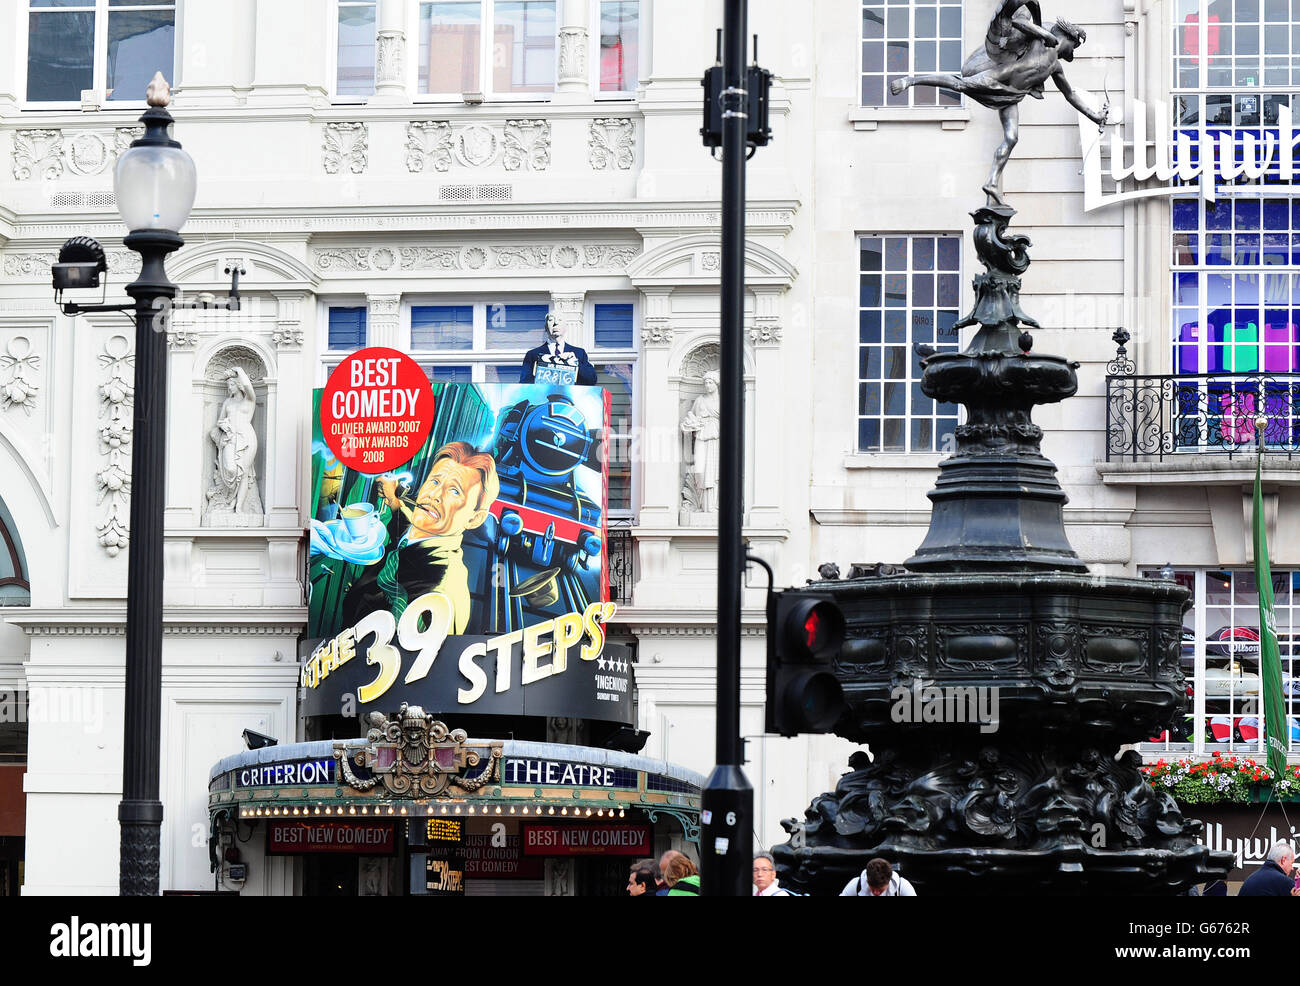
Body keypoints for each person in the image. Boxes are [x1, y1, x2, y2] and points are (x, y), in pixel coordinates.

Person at [889, 1, 1108, 206]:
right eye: (1074, 47)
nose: (1071, 53)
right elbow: (1018, 21)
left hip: (1011, 96)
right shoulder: (1040, 42)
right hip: (997, 78)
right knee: (960, 84)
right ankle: (911, 81)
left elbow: (1070, 95)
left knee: (1012, 138)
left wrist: (1095, 116)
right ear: (1068, 38)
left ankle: (991, 183)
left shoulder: (1055, 68)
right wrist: (1044, 33)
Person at [342, 441, 499, 631]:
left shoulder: (441, 594)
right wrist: (393, 500)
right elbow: (410, 537)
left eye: (454, 491)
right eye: (435, 481)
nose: (434, 495)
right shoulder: (425, 534)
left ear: (474, 519)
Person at [206, 366, 262, 516]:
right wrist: (222, 425)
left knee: (244, 472)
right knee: (231, 469)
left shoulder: (249, 400)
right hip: (230, 438)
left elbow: (248, 387)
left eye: (231, 384)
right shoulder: (227, 403)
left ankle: (238, 506)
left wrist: (239, 370)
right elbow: (219, 421)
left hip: (247, 438)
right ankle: (230, 499)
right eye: (228, 385)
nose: (229, 387)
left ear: (238, 385)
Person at [680, 371, 720, 512]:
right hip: (701, 436)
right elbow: (692, 417)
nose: (707, 385)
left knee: (715, 471)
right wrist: (691, 423)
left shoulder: (723, 400)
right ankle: (702, 505)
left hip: (716, 438)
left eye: (710, 382)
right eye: (706, 383)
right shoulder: (699, 400)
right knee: (701, 469)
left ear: (716, 384)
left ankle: (715, 505)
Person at [520, 312, 597, 385]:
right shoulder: (532, 355)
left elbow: (592, 380)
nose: (556, 323)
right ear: (546, 327)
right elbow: (524, 383)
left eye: (560, 320)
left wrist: (576, 363)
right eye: (551, 320)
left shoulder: (579, 353)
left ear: (565, 327)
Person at [840, 858, 917, 896]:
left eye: (880, 889)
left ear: (889, 881)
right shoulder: (856, 884)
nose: (876, 893)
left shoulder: (903, 886)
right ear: (867, 880)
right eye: (872, 888)